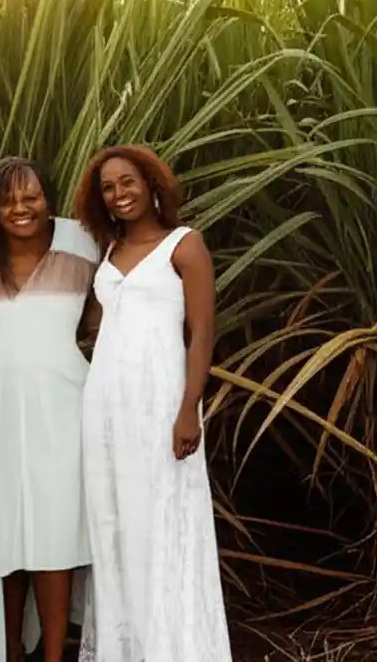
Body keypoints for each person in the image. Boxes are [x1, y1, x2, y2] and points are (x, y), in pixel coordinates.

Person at [74, 145, 232, 661]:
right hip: (105, 407)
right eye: (108, 188)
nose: (119, 194)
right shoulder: (109, 250)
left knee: (163, 521)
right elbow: (102, 328)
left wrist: (189, 407)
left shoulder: (183, 245)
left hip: (162, 402)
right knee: (116, 519)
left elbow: (203, 330)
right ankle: (129, 647)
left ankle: (174, 647)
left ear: (151, 183)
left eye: (128, 182)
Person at [0, 158, 99, 662]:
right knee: (2, 534)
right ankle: (7, 653)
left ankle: (54, 654)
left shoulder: (81, 246)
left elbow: (103, 316)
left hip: (63, 408)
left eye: (31, 197)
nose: (20, 208)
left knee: (55, 532)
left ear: (50, 199)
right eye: (7, 200)